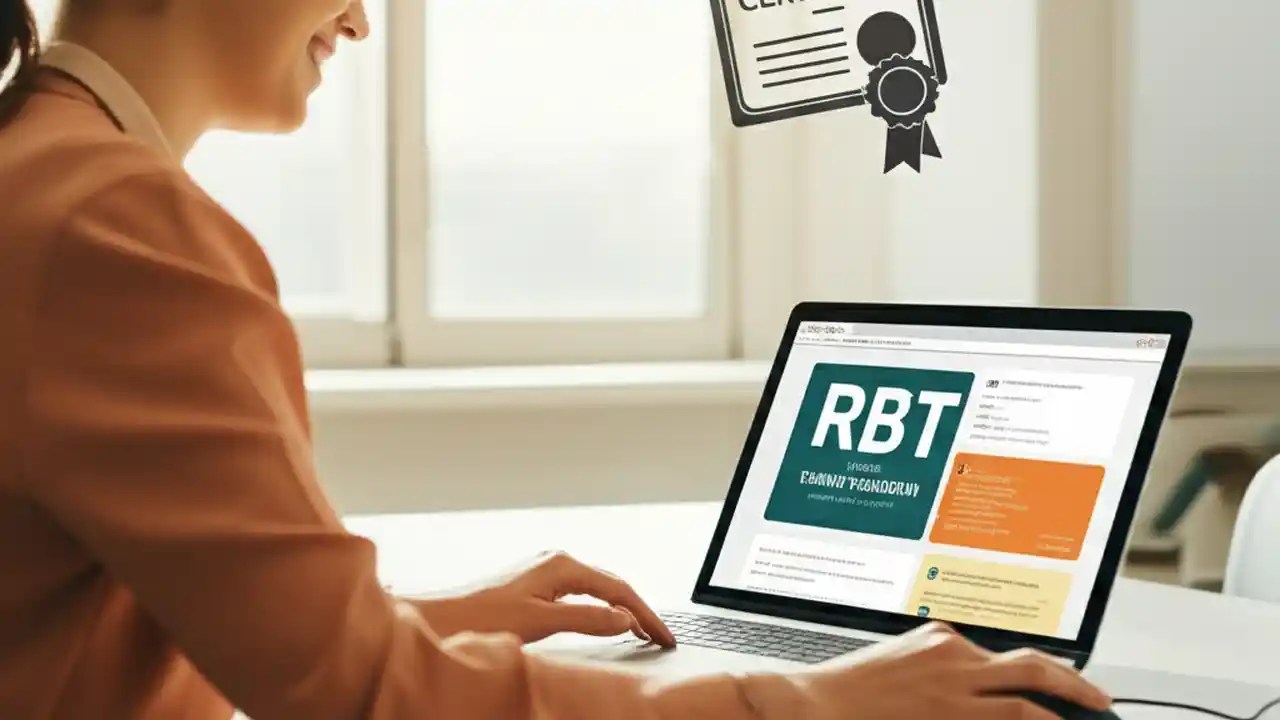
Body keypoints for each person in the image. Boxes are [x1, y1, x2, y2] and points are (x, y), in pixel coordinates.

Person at [0, 1, 1115, 718]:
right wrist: (819, 706)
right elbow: (360, 703)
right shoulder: (116, 223)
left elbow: (152, 625)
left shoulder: (41, 174)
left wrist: (428, 619)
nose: (364, 22)